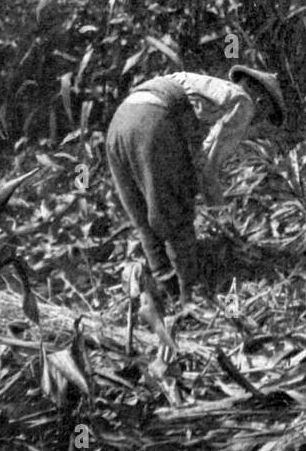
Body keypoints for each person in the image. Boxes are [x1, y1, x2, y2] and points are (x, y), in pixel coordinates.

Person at [105, 65, 285, 302]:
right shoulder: (243, 103)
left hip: (120, 120)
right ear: (261, 101)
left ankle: (167, 290)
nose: (255, 122)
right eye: (262, 118)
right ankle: (192, 297)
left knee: (143, 217)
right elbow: (208, 170)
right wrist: (225, 223)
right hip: (152, 121)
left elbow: (198, 159)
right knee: (174, 214)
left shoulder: (209, 89)